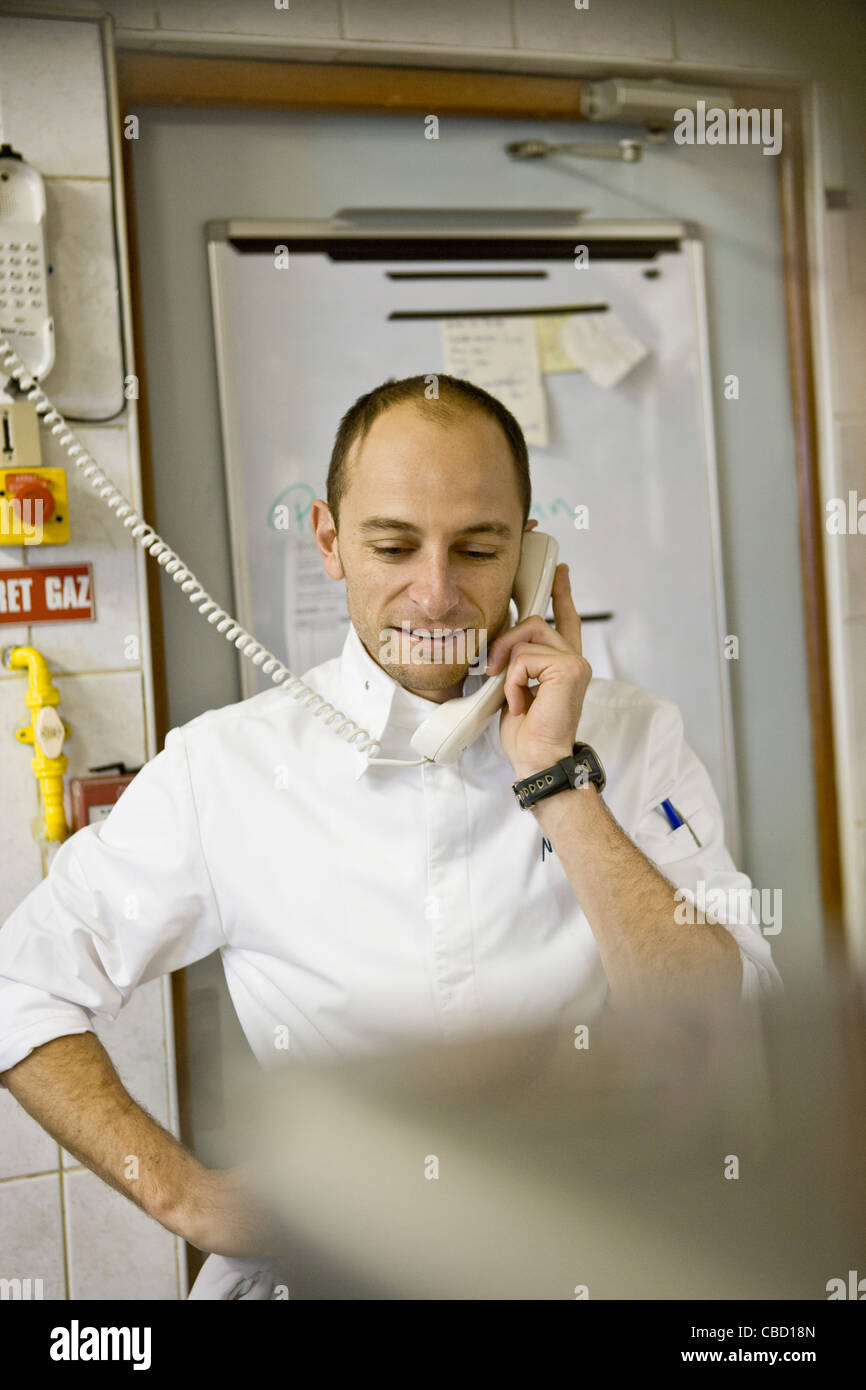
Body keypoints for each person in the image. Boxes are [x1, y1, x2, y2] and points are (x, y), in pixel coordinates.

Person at [0, 373, 781, 1298]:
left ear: (533, 553)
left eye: (481, 548)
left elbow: (721, 1024)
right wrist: (184, 1197)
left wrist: (559, 780)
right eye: (394, 545)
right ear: (329, 541)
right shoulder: (228, 768)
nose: (438, 593)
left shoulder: (634, 737)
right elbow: (25, 984)